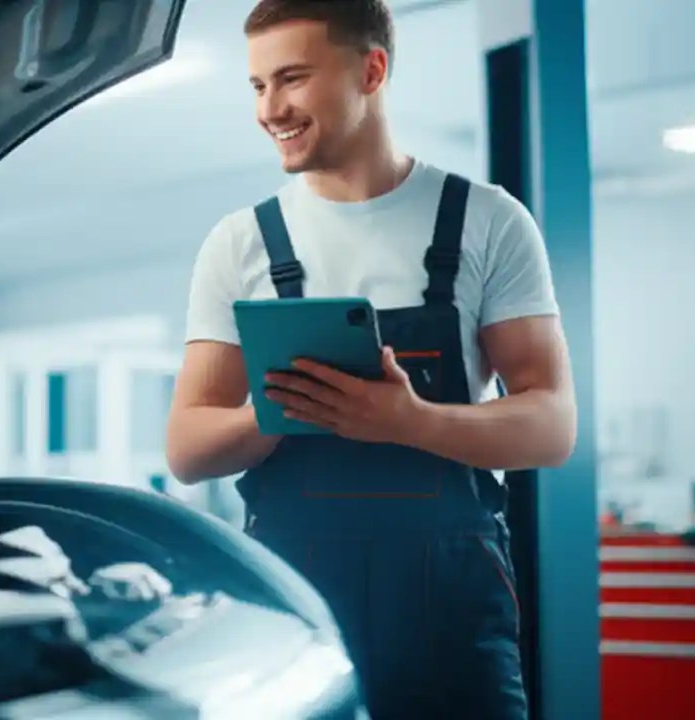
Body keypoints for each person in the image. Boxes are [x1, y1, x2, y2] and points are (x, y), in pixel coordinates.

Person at [164, 1, 577, 717]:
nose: (270, 109)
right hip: (294, 603)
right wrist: (279, 410)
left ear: (372, 70)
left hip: (453, 605)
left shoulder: (487, 220)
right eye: (257, 86)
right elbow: (188, 449)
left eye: (291, 78)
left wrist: (407, 421)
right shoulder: (241, 243)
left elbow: (552, 425)